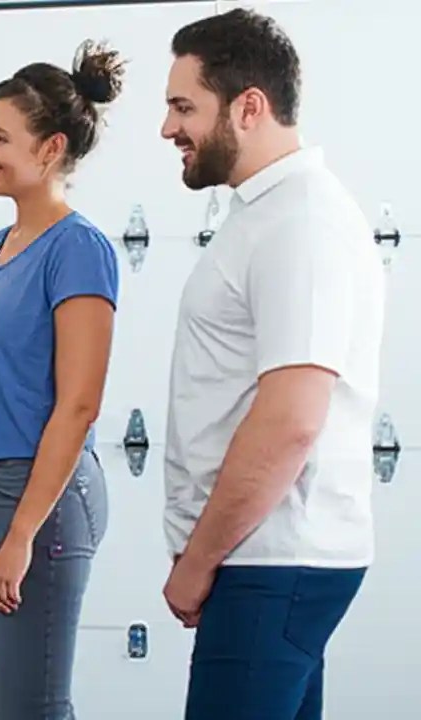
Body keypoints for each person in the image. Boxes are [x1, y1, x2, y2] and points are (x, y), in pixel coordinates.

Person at [158, 9, 385, 720]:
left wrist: (197, 563)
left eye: (183, 106)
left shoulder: (302, 222)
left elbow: (291, 418)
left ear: (248, 106)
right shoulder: (266, 213)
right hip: (267, 561)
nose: (168, 129)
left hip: (274, 561)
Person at [0, 39, 123, 720]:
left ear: (49, 149)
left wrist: (21, 536)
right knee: (12, 705)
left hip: (43, 496)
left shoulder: (79, 251)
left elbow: (78, 405)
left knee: (32, 708)